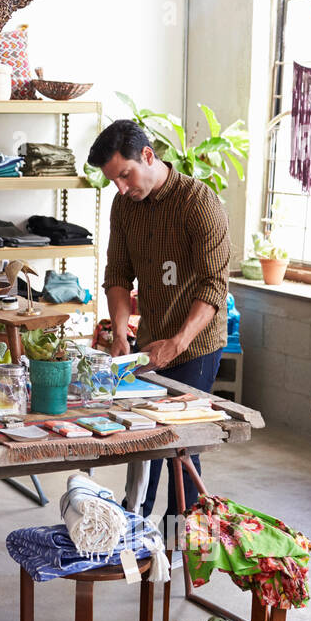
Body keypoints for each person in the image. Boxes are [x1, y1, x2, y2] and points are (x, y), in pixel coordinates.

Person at [87, 119, 230, 520]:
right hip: (148, 339)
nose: (121, 187)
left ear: (148, 156)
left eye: (125, 175)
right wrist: (119, 330)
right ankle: (139, 520)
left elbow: (214, 286)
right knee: (146, 434)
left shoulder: (199, 204)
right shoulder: (124, 205)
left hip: (196, 344)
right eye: (114, 180)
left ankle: (181, 534)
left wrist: (178, 342)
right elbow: (118, 273)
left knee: (179, 444)